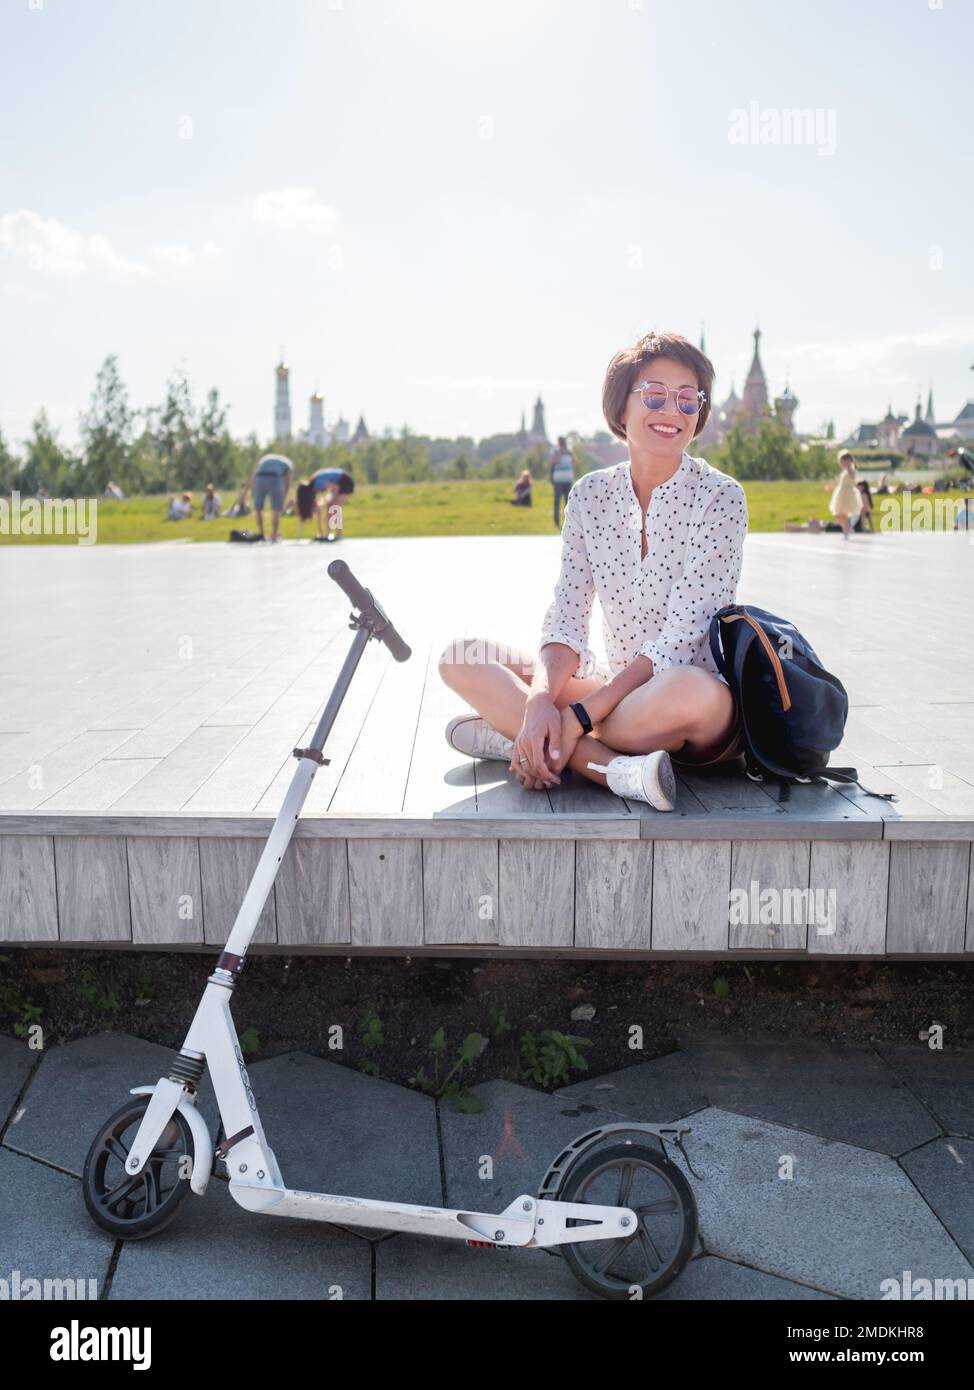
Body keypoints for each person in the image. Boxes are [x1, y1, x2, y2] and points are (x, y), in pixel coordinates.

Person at [438, 331, 748, 812]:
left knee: (684, 691)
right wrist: (542, 699)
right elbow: (567, 615)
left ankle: (520, 738)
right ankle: (607, 768)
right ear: (621, 406)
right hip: (617, 696)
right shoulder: (589, 495)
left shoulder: (720, 496)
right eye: (654, 395)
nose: (671, 411)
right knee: (460, 656)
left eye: (689, 400)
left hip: (687, 701)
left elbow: (682, 640)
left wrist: (578, 714)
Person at [295, 467, 355, 541]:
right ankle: (329, 533)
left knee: (335, 507)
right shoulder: (314, 483)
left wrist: (333, 501)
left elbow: (336, 488)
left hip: (345, 482)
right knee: (331, 507)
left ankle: (338, 534)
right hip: (339, 482)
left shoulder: (318, 482)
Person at [250, 453, 294, 543]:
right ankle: (274, 535)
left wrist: (253, 489)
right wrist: (283, 501)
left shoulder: (265, 458)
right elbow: (287, 484)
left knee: (258, 508)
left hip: (259, 478)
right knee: (276, 509)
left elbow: (254, 474)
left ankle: (262, 534)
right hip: (274, 478)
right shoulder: (288, 464)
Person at [828, 450, 861, 539]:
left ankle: (847, 530)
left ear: (848, 460)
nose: (842, 463)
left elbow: (852, 477)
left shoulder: (851, 468)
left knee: (844, 513)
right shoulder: (845, 470)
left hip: (848, 494)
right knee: (838, 514)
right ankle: (847, 528)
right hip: (841, 493)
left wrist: (849, 466)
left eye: (843, 461)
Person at [550, 436, 575, 527]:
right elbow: (553, 461)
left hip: (568, 480)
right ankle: (556, 522)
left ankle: (567, 522)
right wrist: (560, 452)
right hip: (558, 480)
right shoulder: (555, 452)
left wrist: (569, 452)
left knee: (567, 502)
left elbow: (574, 461)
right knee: (557, 502)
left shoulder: (569, 452)